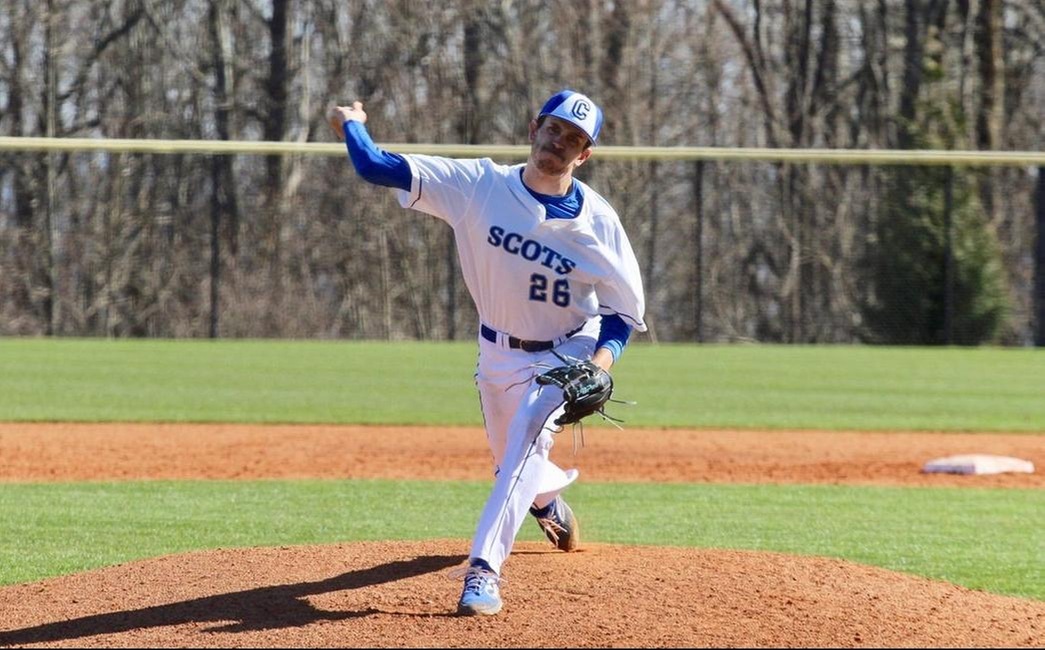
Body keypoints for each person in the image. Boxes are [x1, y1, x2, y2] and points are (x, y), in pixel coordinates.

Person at [326, 89, 646, 616]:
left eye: (574, 139)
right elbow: (374, 167)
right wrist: (353, 124)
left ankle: (483, 571)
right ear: (533, 129)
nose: (559, 143)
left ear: (583, 156)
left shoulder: (600, 222)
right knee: (512, 459)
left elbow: (622, 312)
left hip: (568, 350)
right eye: (554, 129)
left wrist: (597, 365)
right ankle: (546, 501)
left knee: (528, 434)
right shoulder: (478, 186)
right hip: (498, 353)